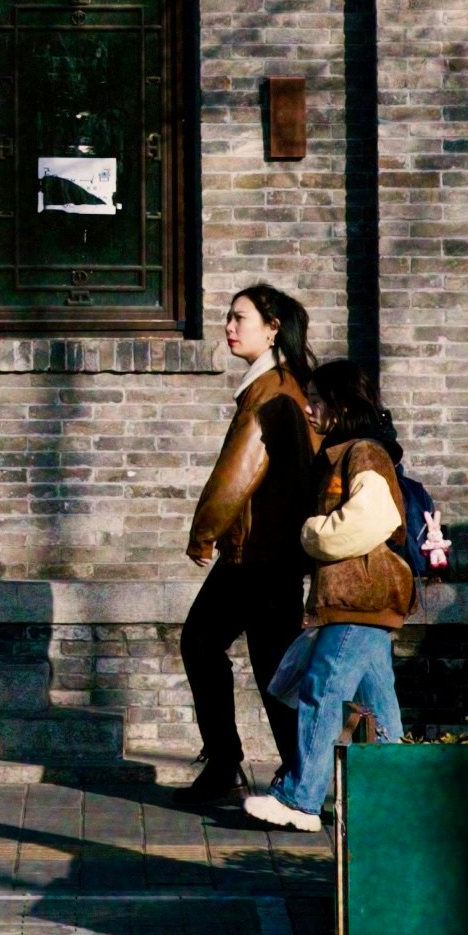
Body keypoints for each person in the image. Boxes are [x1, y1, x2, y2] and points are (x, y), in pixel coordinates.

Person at [242, 359, 419, 834]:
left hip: (359, 596)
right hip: (363, 597)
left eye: (317, 399)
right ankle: (396, 797)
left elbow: (373, 517)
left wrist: (312, 532)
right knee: (377, 704)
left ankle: (300, 798)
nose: (308, 407)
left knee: (323, 688)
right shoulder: (346, 451)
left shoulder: (363, 452)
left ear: (341, 406)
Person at [178, 282, 318, 803]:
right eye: (229, 317)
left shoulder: (270, 391)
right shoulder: (283, 385)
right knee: (274, 665)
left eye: (241, 318)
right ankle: (291, 774)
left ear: (273, 327)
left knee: (204, 643)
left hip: (255, 554)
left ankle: (233, 765)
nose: (230, 327)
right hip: (271, 553)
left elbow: (238, 473)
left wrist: (203, 534)